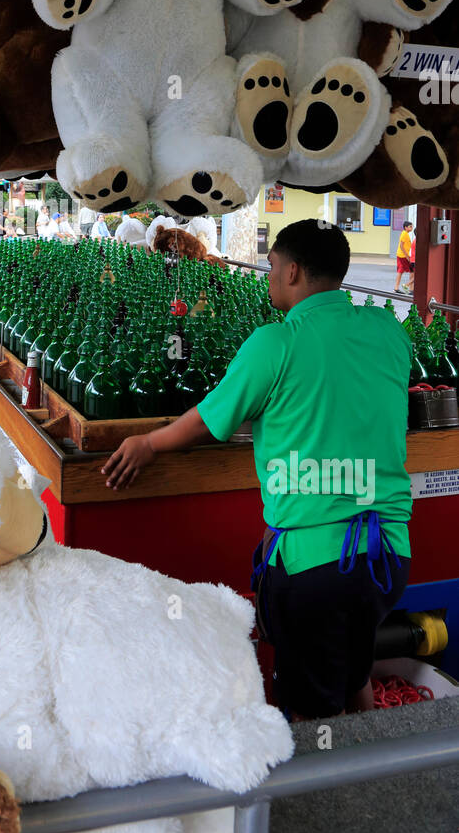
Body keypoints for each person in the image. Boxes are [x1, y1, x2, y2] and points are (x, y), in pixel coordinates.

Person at [102, 219, 412, 724]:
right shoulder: (387, 331)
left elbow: (211, 417)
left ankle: (323, 797)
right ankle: (373, 778)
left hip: (316, 566)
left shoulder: (275, 343)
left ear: (292, 272)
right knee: (353, 669)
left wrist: (148, 444)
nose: (267, 277)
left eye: (271, 268)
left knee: (311, 713)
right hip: (388, 556)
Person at [395, 219, 414, 293]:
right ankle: (410, 288)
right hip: (403, 256)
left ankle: (396, 287)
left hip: (401, 255)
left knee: (400, 271)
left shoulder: (405, 233)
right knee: (412, 271)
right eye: (410, 227)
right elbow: (401, 246)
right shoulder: (404, 234)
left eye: (412, 227)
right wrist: (407, 257)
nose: (411, 228)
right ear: (405, 227)